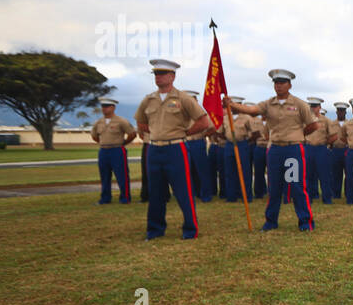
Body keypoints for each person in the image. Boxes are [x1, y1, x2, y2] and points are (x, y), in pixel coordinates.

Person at [228, 70, 318, 232]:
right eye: (276, 83)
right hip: (275, 149)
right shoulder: (268, 104)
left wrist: (299, 135)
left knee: (297, 186)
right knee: (274, 187)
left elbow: (313, 125)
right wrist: (233, 105)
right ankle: (270, 221)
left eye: (282, 83)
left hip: (293, 149)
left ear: (289, 85)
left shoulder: (299, 104)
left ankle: (305, 222)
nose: (279, 86)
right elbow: (253, 110)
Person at [134, 59, 213, 239]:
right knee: (156, 192)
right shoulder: (149, 99)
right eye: (155, 74)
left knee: (183, 190)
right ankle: (155, 230)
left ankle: (190, 229)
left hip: (176, 148)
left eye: (162, 74)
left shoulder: (183, 98)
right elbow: (140, 121)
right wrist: (155, 132)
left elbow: (203, 121)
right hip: (154, 149)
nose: (158, 77)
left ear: (172, 76)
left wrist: (185, 132)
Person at [90, 97, 136, 204]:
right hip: (104, 151)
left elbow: (132, 134)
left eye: (106, 106)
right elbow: (94, 136)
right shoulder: (98, 122)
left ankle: (125, 198)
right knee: (104, 175)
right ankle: (105, 198)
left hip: (117, 150)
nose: (104, 109)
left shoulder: (121, 121)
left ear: (113, 107)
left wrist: (123, 143)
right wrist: (103, 142)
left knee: (122, 175)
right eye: (102, 106)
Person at [304, 97, 335, 205]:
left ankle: (327, 198)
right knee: (308, 175)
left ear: (319, 107)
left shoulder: (326, 120)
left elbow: (334, 136)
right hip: (308, 148)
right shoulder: (305, 120)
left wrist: (326, 143)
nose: (313, 108)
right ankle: (309, 198)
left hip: (321, 149)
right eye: (311, 106)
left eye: (315, 106)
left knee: (324, 175)